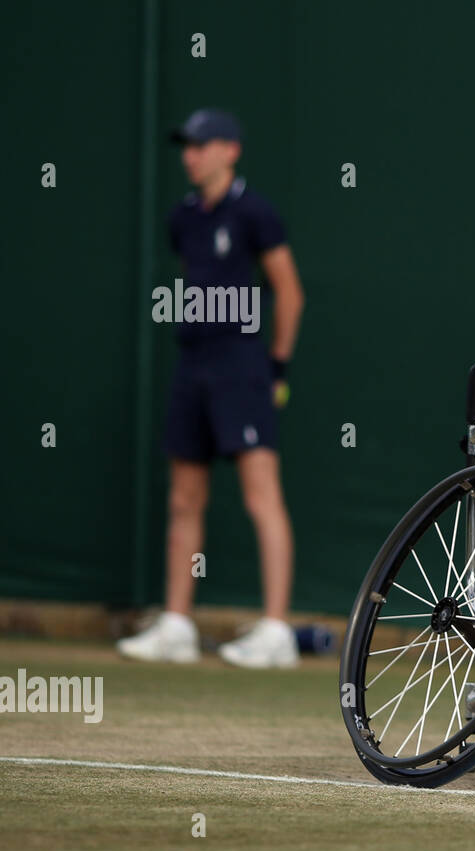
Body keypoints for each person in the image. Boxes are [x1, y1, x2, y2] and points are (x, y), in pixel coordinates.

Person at [117, 108, 305, 669]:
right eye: (186, 146)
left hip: (243, 367)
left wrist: (276, 369)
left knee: (260, 495)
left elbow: (289, 293)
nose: (190, 155)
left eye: (200, 146)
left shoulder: (254, 212)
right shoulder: (182, 218)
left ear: (230, 150)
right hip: (192, 364)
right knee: (183, 498)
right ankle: (176, 623)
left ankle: (276, 631)